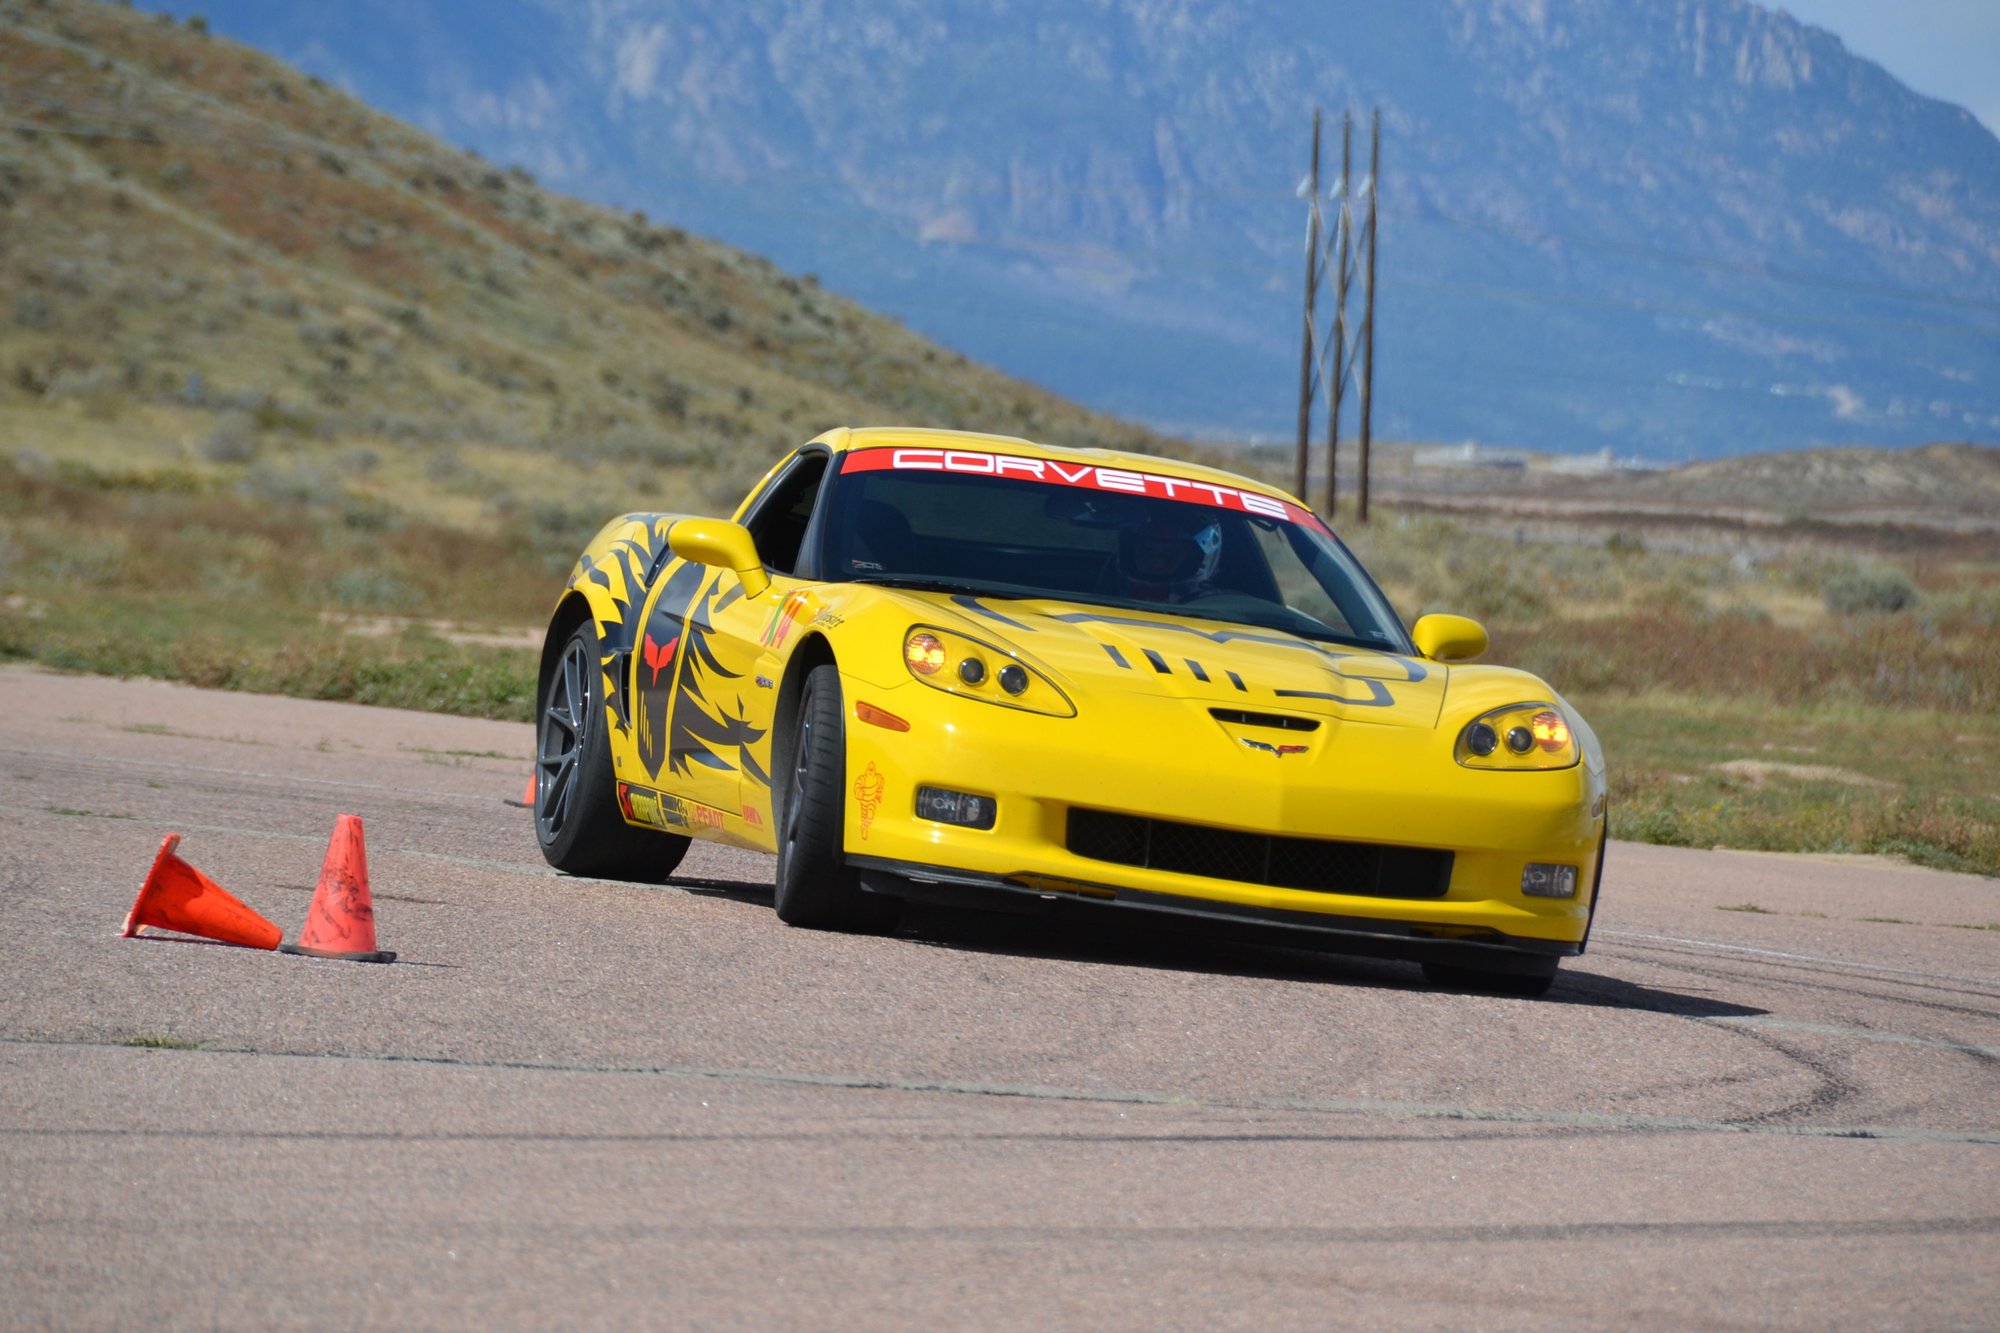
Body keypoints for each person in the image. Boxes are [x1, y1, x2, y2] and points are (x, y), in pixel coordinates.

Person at [1109, 513, 1223, 603]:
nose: (1158, 563)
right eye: (1148, 553)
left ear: (1189, 558)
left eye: (1170, 556)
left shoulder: (1207, 602)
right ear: (1131, 553)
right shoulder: (1103, 592)